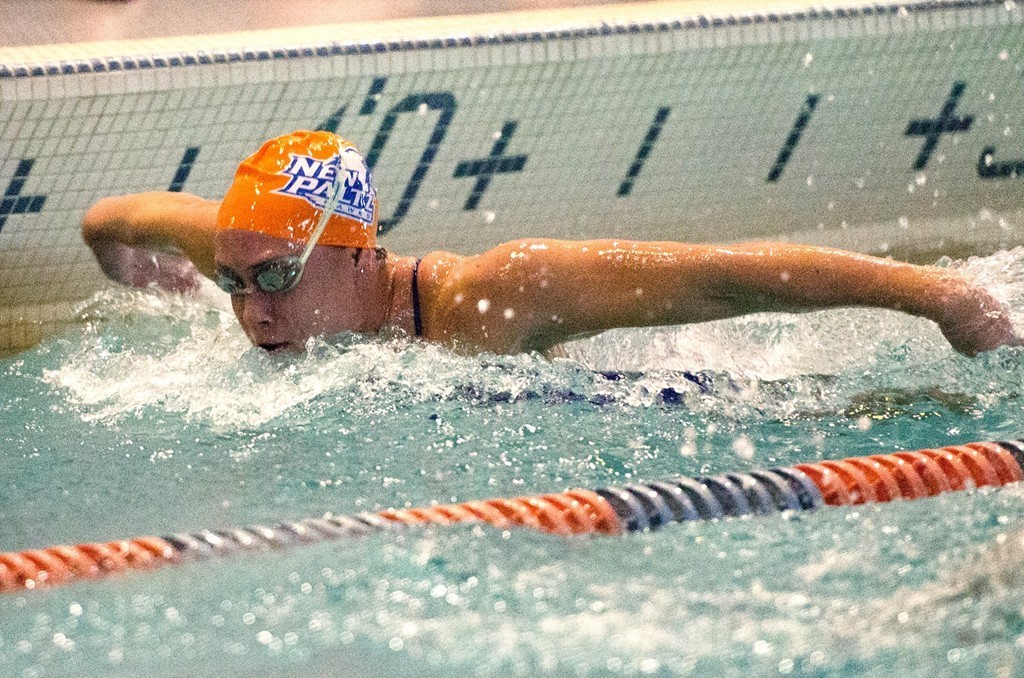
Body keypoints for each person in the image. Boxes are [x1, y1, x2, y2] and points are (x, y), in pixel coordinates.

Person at [82, 129, 1018, 356]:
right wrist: (123, 260)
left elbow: (722, 278)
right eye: (231, 280)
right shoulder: (247, 238)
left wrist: (936, 297)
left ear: (360, 251)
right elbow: (112, 218)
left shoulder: (497, 295)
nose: (252, 310)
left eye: (277, 278)